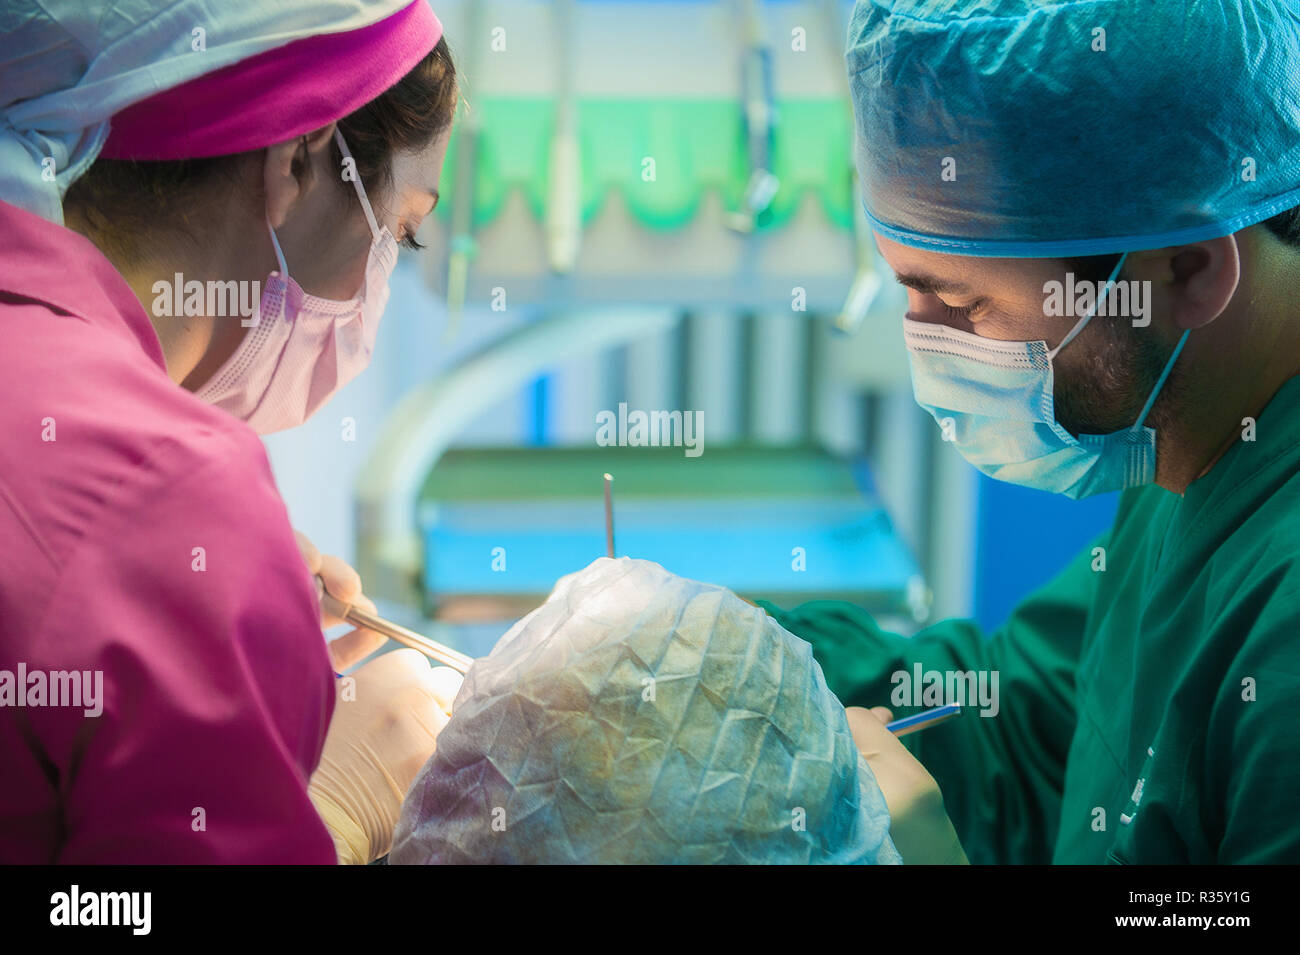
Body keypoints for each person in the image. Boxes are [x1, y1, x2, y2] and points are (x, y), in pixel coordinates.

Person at [760, 0, 1300, 863]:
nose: (926, 344)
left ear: (1188, 268)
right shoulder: (1201, 447)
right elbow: (1037, 737)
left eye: (963, 304)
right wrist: (749, 673)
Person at [0, 0, 461, 863]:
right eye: (401, 230)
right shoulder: (168, 490)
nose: (382, 277)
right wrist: (330, 807)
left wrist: (192, 588)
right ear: (296, 160)